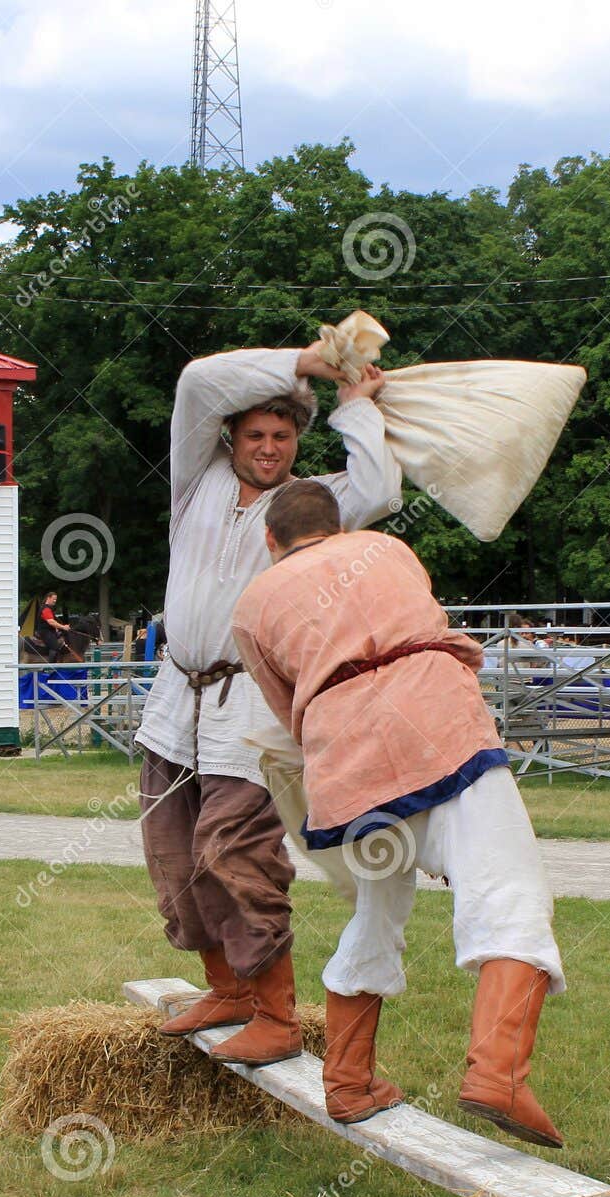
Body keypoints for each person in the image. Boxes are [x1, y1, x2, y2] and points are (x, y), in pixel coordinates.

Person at [230, 480, 565, 1146]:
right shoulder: (384, 547)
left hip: (344, 761)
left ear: (272, 540)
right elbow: (423, 619)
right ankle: (497, 1073)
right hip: (438, 724)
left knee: (379, 908)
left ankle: (349, 1081)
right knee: (509, 889)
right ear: (339, 525)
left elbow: (282, 705)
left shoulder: (252, 605)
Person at [142, 340, 400, 1065]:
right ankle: (224, 987)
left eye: (282, 436)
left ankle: (278, 1016)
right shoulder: (197, 481)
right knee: (173, 857)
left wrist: (355, 406)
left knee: (237, 853)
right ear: (231, 437)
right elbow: (196, 379)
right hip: (175, 698)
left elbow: (379, 488)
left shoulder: (313, 503)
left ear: (297, 442)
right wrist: (313, 360)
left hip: (250, 703)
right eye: (254, 434)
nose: (267, 447)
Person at [37, 591, 70, 661]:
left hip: (50, 632)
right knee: (55, 647)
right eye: (53, 599)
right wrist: (63, 627)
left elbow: (54, 621)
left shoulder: (49, 609)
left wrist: (60, 627)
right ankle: (50, 667)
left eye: (56, 599)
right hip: (45, 632)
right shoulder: (46, 609)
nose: (55, 601)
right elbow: (51, 622)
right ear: (48, 598)